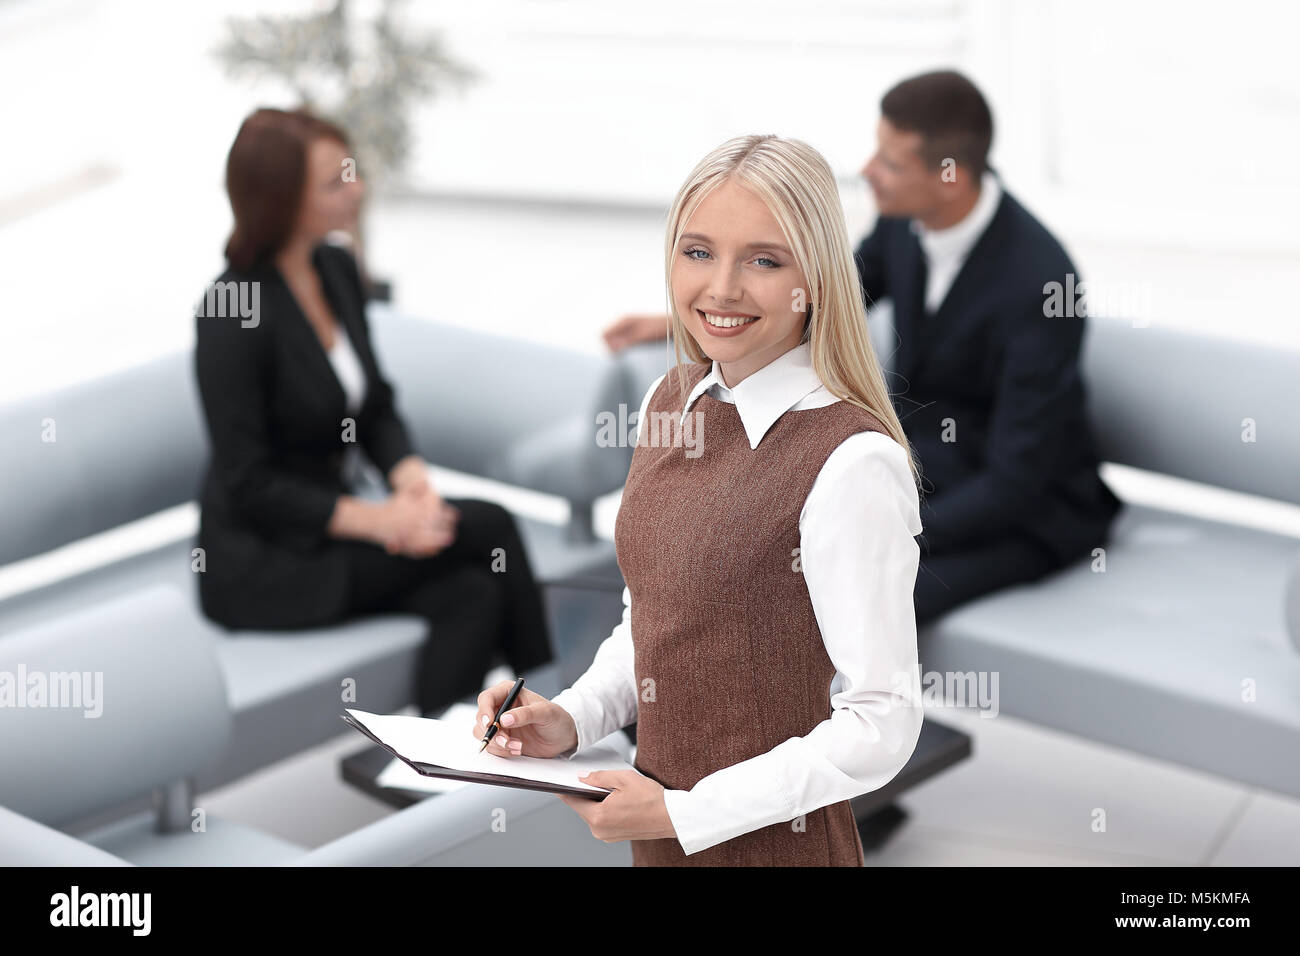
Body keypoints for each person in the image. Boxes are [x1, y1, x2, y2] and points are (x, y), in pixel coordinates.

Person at [470, 134, 926, 866]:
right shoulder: (668, 399)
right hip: (662, 836)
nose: (721, 289)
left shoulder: (851, 462)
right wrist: (572, 718)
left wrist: (691, 811)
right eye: (698, 252)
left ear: (817, 277)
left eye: (765, 261)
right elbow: (653, 621)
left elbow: (883, 720)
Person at [603, 70, 1121, 626]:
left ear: (950, 178)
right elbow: (828, 293)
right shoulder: (904, 224)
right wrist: (702, 315)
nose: (869, 171)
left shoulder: (1042, 282)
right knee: (751, 561)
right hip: (927, 467)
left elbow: (1017, 479)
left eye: (891, 162)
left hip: (1025, 511)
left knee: (859, 601)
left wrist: (886, 524)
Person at [193, 107, 554, 716]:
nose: (356, 189)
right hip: (266, 561)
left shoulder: (333, 267)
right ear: (280, 200)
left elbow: (373, 405)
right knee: (490, 527)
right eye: (335, 182)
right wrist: (382, 522)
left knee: (470, 593)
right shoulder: (231, 310)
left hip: (336, 528)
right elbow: (249, 484)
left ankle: (442, 765)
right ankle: (563, 713)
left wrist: (410, 483)